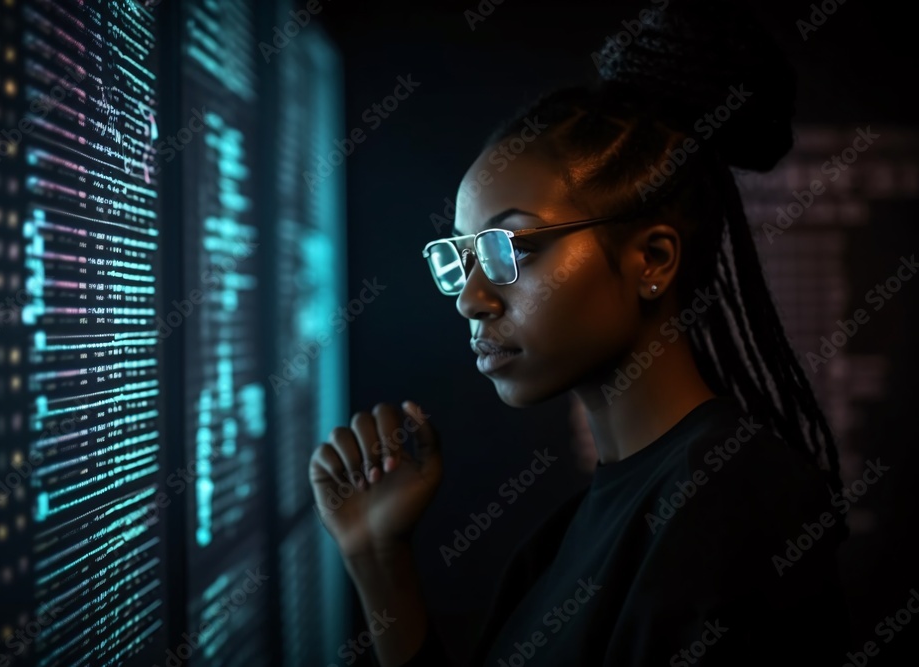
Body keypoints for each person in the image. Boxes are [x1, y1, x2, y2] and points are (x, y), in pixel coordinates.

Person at [308, 1, 852, 664]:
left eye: (509, 246)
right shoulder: (576, 530)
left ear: (652, 259)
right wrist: (377, 555)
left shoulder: (734, 503)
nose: (472, 299)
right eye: (462, 258)